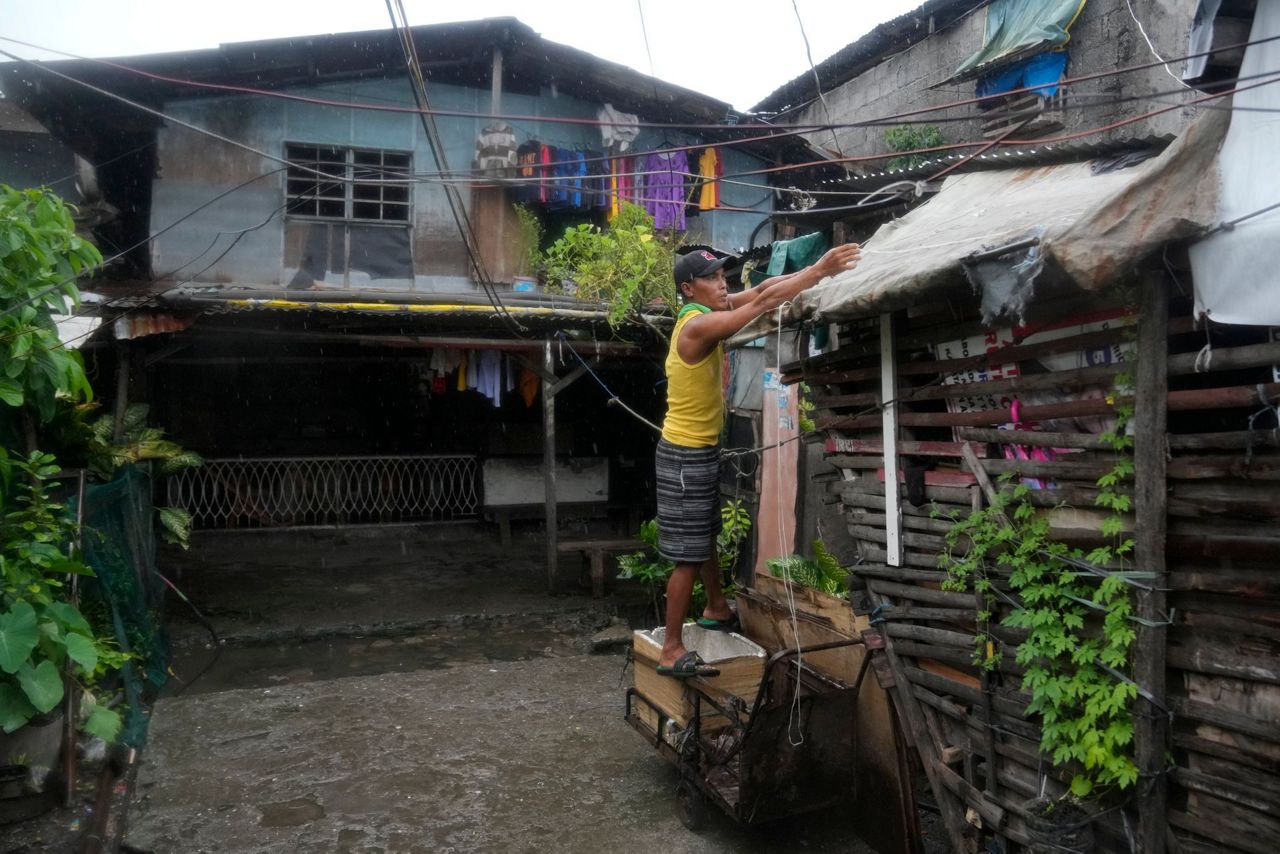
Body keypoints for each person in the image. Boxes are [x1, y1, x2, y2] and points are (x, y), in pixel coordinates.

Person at [654, 243, 862, 677]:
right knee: (688, 555)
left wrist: (814, 269)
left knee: (704, 536)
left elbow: (764, 289)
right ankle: (671, 650)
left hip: (700, 450)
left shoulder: (709, 312)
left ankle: (716, 607)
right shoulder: (696, 327)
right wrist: (820, 270)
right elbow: (764, 304)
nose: (722, 284)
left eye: (723, 276)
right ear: (688, 288)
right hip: (684, 455)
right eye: (712, 278)